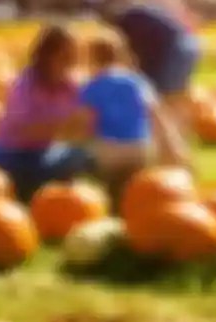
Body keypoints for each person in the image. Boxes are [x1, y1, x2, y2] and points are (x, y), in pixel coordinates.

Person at [0, 24, 91, 200]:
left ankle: (40, 191)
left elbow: (85, 125)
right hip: (10, 151)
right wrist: (66, 125)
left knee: (80, 157)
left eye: (73, 57)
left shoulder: (71, 86)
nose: (70, 62)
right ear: (47, 56)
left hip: (42, 153)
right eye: (65, 56)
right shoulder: (27, 83)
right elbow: (22, 130)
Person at [76, 33, 188, 207]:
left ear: (91, 58)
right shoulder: (137, 81)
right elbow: (156, 115)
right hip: (139, 148)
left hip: (109, 150)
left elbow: (85, 122)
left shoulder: (93, 86)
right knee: (132, 182)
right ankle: (130, 199)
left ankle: (110, 199)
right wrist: (173, 149)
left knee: (91, 164)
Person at [101, 0, 202, 150]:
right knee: (176, 96)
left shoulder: (125, 20)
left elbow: (135, 53)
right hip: (188, 44)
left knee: (166, 98)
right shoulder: (135, 11)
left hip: (176, 50)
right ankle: (178, 137)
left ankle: (171, 142)